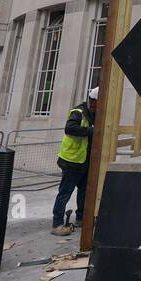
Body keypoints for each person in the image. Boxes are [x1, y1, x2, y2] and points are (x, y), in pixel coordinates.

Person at [51, 88, 97, 236]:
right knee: (65, 193)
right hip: (71, 161)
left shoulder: (95, 114)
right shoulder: (78, 112)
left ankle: (81, 218)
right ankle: (57, 224)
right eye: (98, 104)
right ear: (93, 101)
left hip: (84, 161)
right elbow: (69, 128)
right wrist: (91, 131)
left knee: (84, 192)